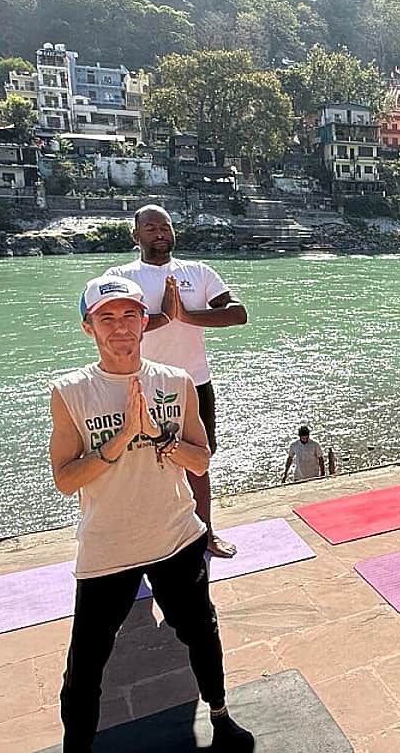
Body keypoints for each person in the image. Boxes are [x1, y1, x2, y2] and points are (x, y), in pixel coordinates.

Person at [49, 276, 253, 753]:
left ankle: (220, 713)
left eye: (128, 316)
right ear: (88, 328)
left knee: (202, 632)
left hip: (176, 536)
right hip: (108, 548)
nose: (119, 328)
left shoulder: (175, 381)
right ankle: (76, 745)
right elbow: (65, 479)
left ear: (144, 322)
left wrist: (163, 439)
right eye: (106, 318)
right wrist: (120, 439)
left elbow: (201, 460)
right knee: (86, 663)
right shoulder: (70, 391)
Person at [105, 205, 248, 559]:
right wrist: (165, 317)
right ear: (135, 235)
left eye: (165, 226)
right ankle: (144, 542)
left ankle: (206, 534)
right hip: (138, 385)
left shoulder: (197, 273)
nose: (159, 233)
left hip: (193, 383)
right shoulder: (121, 276)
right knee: (138, 465)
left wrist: (184, 314)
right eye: (150, 227)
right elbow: (116, 328)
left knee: (198, 461)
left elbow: (237, 314)